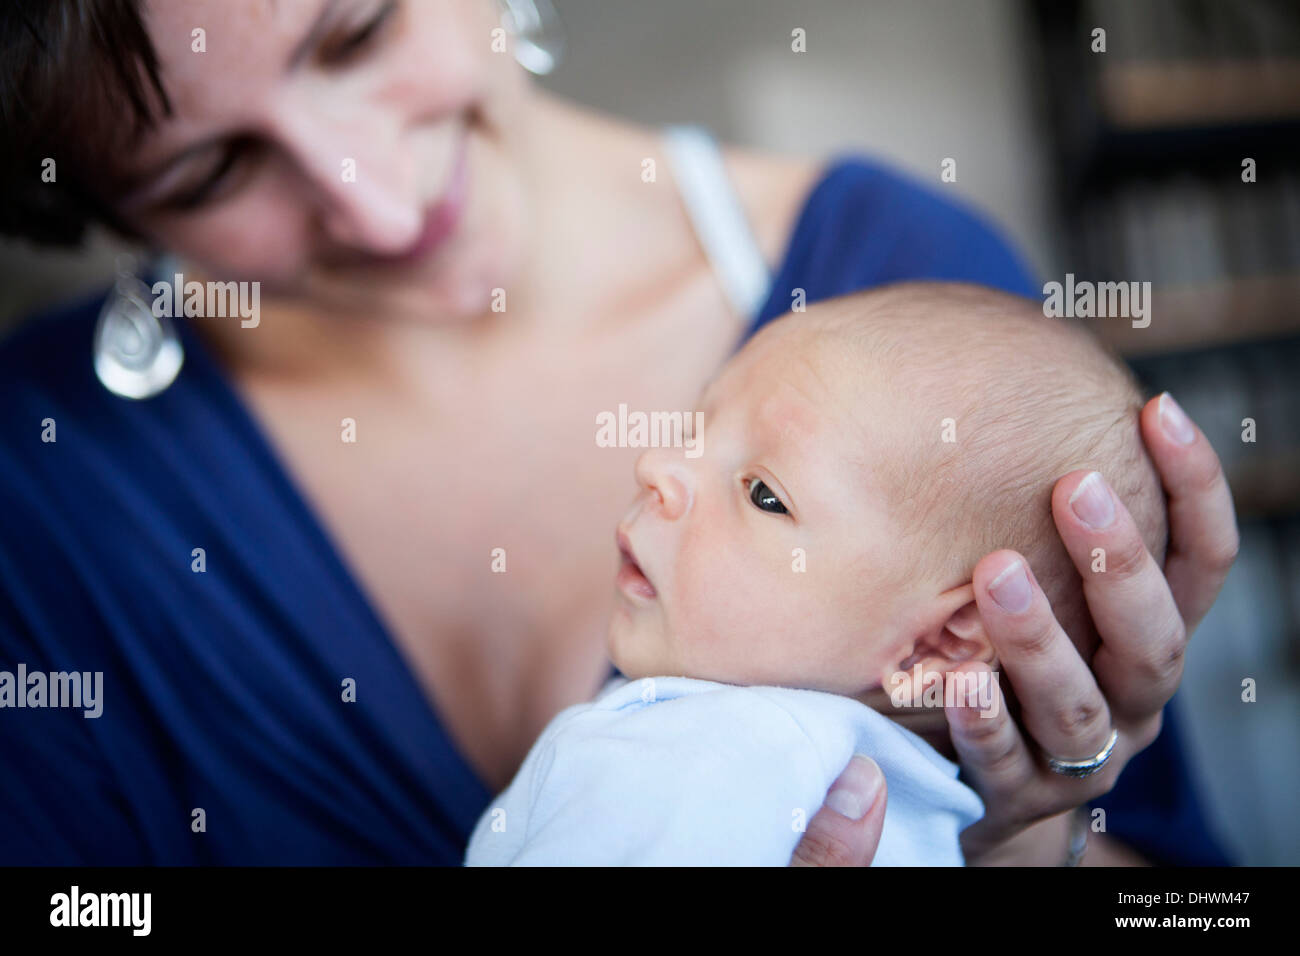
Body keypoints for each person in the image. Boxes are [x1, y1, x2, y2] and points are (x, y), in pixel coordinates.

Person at [0, 0, 1238, 866]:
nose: (375, 200)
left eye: (360, 29)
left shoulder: (911, 293)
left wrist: (1030, 846)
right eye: (207, 175)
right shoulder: (41, 487)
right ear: (98, 201)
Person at [465, 282, 1166, 865]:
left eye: (763, 494)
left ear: (942, 642)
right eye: (695, 428)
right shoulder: (887, 802)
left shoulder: (723, 756)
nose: (658, 468)